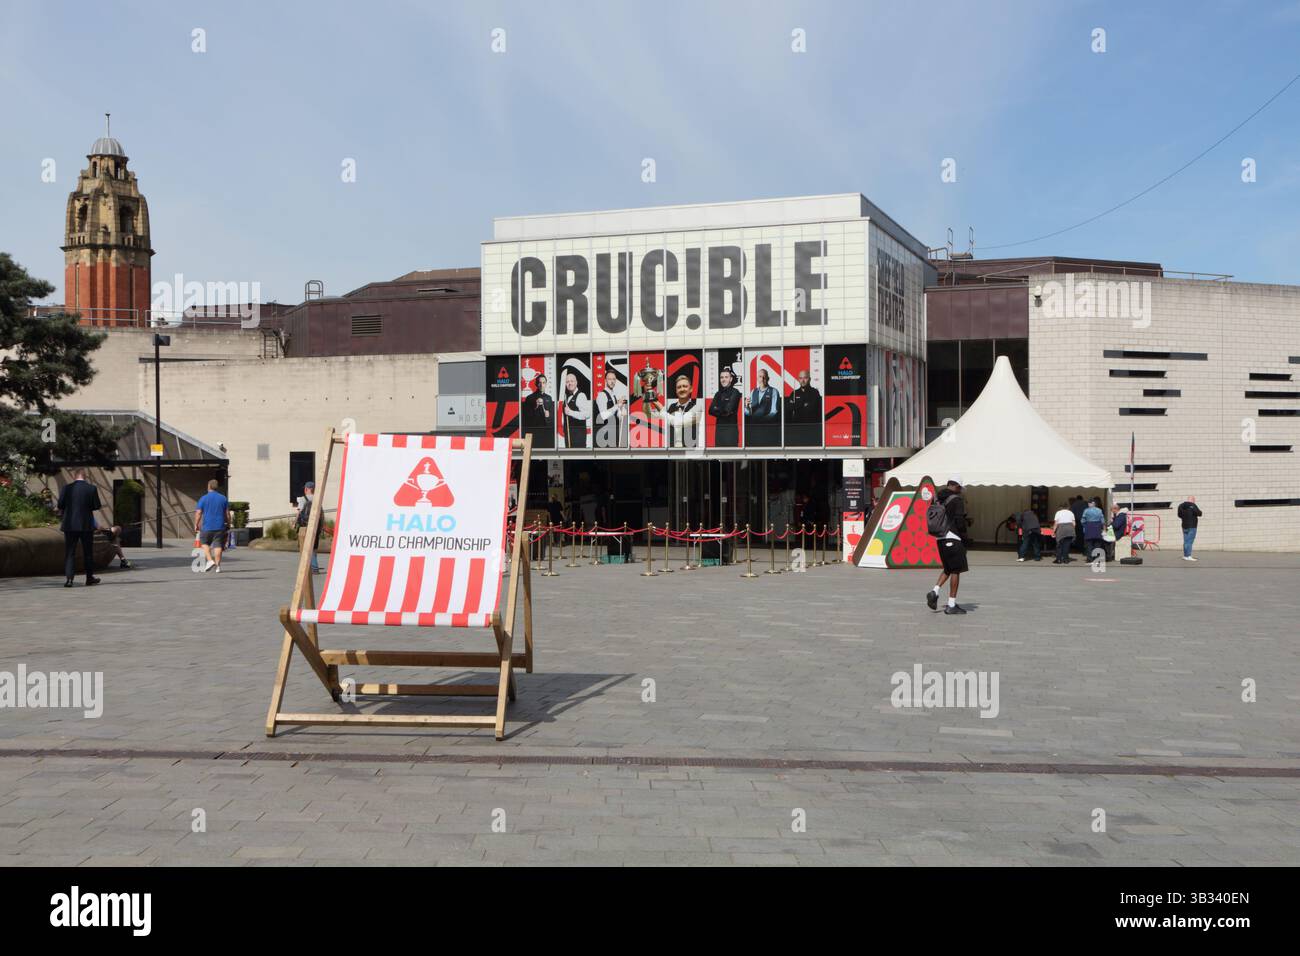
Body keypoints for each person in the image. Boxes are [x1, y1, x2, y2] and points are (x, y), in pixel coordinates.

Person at [926, 477, 969, 615]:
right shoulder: (956, 500)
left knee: (948, 568)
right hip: (953, 537)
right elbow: (959, 520)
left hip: (940, 537)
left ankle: (935, 591)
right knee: (956, 570)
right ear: (956, 487)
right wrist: (965, 538)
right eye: (960, 488)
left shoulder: (937, 498)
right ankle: (951, 605)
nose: (961, 491)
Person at [57, 468, 102, 587]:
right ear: (85, 476)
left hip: (70, 525)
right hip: (86, 525)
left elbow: (60, 504)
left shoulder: (66, 488)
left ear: (74, 476)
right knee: (88, 552)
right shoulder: (91, 488)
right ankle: (89, 578)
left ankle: (69, 579)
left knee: (70, 552)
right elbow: (96, 505)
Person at [655, 374, 704, 448]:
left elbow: (679, 422)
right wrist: (649, 398)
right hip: (671, 452)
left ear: (691, 389)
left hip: (690, 452)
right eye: (679, 387)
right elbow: (652, 415)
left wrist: (659, 406)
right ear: (676, 390)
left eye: (685, 386)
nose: (682, 389)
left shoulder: (697, 408)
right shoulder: (670, 407)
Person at [194, 479, 232, 573]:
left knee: (204, 543)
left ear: (209, 486)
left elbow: (198, 513)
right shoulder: (223, 498)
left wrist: (196, 524)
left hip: (207, 526)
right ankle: (218, 567)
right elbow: (227, 513)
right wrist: (229, 523)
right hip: (220, 526)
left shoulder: (203, 498)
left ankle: (210, 561)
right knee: (218, 545)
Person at [707, 366, 742, 447]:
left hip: (730, 432)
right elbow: (710, 410)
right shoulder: (718, 393)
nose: (723, 379)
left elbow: (727, 411)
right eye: (721, 377)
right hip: (719, 432)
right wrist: (722, 408)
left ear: (731, 379)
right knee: (719, 456)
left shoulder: (735, 392)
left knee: (732, 457)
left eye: (726, 377)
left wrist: (717, 408)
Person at [744, 368, 780, 445]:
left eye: (764, 377)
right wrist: (746, 407)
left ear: (768, 378)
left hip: (768, 428)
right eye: (760, 376)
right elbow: (748, 413)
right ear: (757, 378)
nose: (762, 379)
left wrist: (761, 420)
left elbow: (774, 412)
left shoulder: (774, 391)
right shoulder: (753, 391)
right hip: (755, 429)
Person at [594, 370, 627, 448]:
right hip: (604, 437)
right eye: (609, 379)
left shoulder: (613, 395)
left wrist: (621, 410)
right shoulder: (602, 395)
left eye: (614, 379)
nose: (612, 381)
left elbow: (616, 415)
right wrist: (617, 405)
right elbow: (603, 415)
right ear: (605, 380)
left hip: (613, 435)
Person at [296, 480, 321, 573]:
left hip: (305, 526)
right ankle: (313, 566)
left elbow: (299, 512)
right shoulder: (318, 499)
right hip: (316, 525)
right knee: (314, 547)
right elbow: (321, 513)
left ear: (307, 489)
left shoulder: (303, 499)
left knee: (305, 546)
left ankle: (313, 567)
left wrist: (295, 523)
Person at [560, 370, 590, 448]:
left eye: (572, 381)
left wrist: (570, 412)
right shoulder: (566, 397)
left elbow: (587, 414)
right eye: (567, 382)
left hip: (578, 438)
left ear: (576, 382)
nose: (569, 383)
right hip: (569, 437)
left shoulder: (581, 395)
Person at [1177, 495, 1203, 561]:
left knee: (1186, 541)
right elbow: (1199, 513)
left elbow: (1179, 515)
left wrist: (1184, 518)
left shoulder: (1181, 506)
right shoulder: (1193, 505)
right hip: (1192, 526)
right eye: (1194, 500)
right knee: (1190, 541)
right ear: (1193, 500)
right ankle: (1188, 555)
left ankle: (1185, 555)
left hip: (1184, 525)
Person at [1081, 497, 1105, 563]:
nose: (1088, 505)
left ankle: (1090, 559)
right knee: (1097, 544)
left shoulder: (1086, 510)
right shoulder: (1099, 510)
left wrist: (1085, 526)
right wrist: (1103, 529)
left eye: (1089, 503)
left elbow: (1082, 520)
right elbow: (1102, 521)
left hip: (1089, 527)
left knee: (1089, 544)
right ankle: (1097, 558)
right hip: (1097, 527)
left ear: (1092, 503)